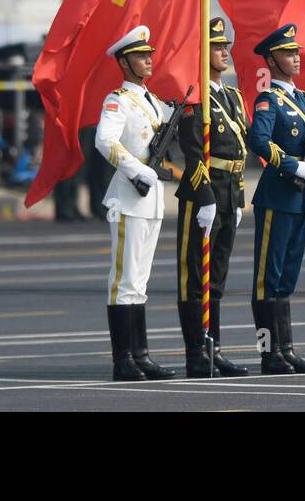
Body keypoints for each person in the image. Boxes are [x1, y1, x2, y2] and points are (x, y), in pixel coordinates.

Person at [94, 25, 176, 382]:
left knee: (139, 282)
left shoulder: (152, 100)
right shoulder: (118, 100)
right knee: (124, 280)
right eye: (141, 55)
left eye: (149, 54)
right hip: (129, 197)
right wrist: (136, 170)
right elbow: (105, 141)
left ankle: (140, 355)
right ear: (124, 62)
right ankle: (122, 359)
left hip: (151, 199)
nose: (148, 60)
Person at [175, 17, 251, 377]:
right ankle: (196, 353)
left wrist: (238, 197)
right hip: (203, 191)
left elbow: (241, 149)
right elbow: (193, 149)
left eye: (226, 46)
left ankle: (214, 348)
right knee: (195, 275)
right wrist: (204, 194)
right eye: (217, 46)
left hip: (229, 190)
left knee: (216, 275)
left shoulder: (232, 96)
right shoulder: (194, 95)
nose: (225, 52)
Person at [247, 23, 305, 375]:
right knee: (267, 278)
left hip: (301, 197)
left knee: (287, 278)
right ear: (271, 60)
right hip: (277, 195)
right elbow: (259, 141)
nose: (296, 58)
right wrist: (291, 164)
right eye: (288, 53)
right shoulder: (267, 100)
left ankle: (286, 349)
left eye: (296, 52)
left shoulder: (304, 100)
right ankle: (267, 352)